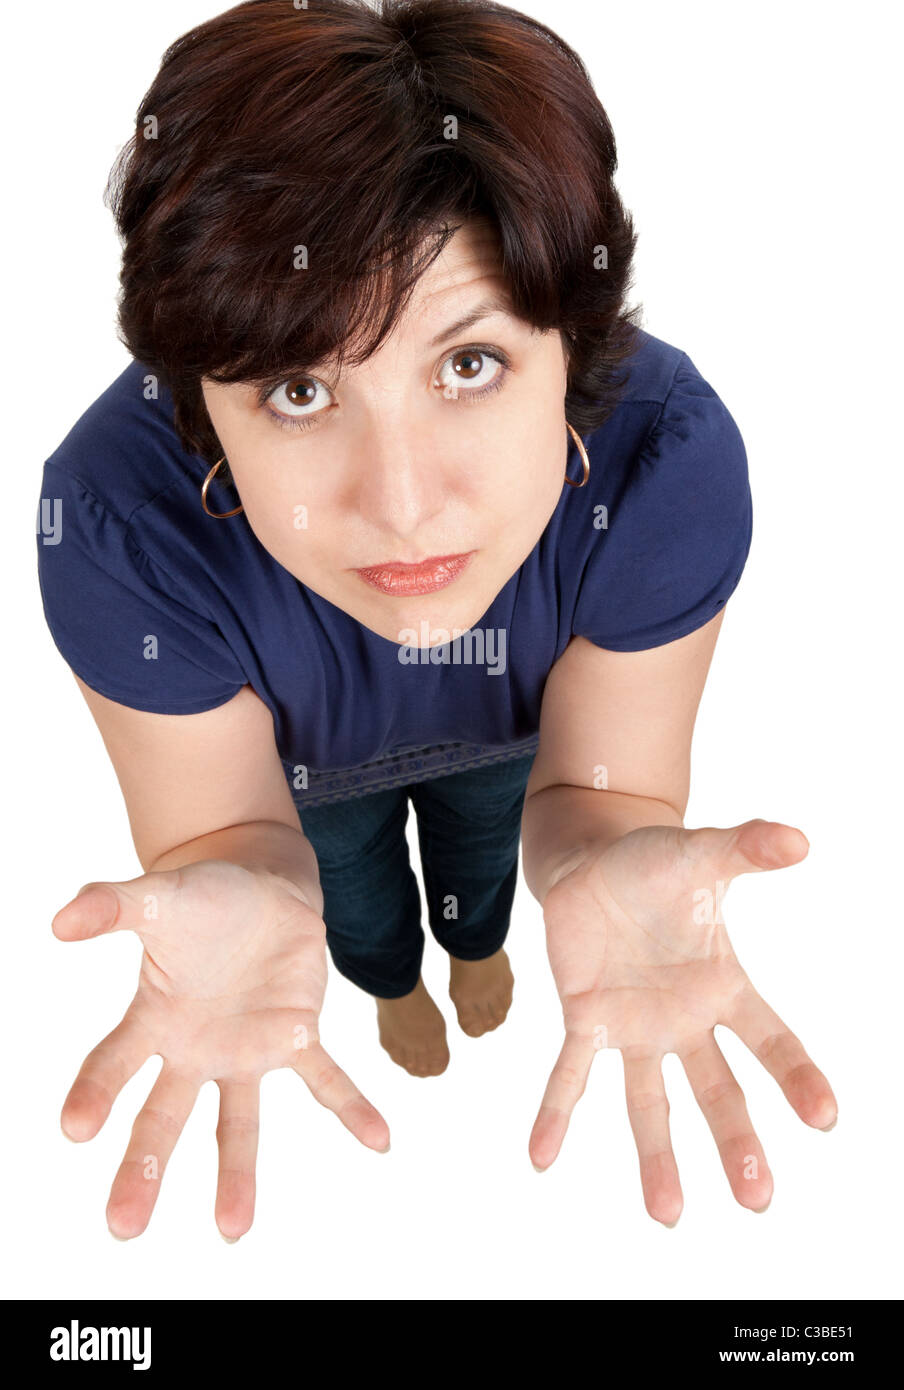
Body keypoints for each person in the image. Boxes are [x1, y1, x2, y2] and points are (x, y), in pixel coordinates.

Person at [35, 0, 836, 1243]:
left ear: (571, 341)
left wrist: (598, 848)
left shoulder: (665, 463)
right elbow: (233, 833)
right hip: (309, 774)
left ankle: (473, 951)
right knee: (347, 893)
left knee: (488, 856)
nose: (401, 508)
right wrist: (233, 877)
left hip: (510, 733)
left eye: (468, 365)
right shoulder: (113, 522)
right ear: (203, 404)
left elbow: (602, 791)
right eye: (300, 390)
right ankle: (395, 974)